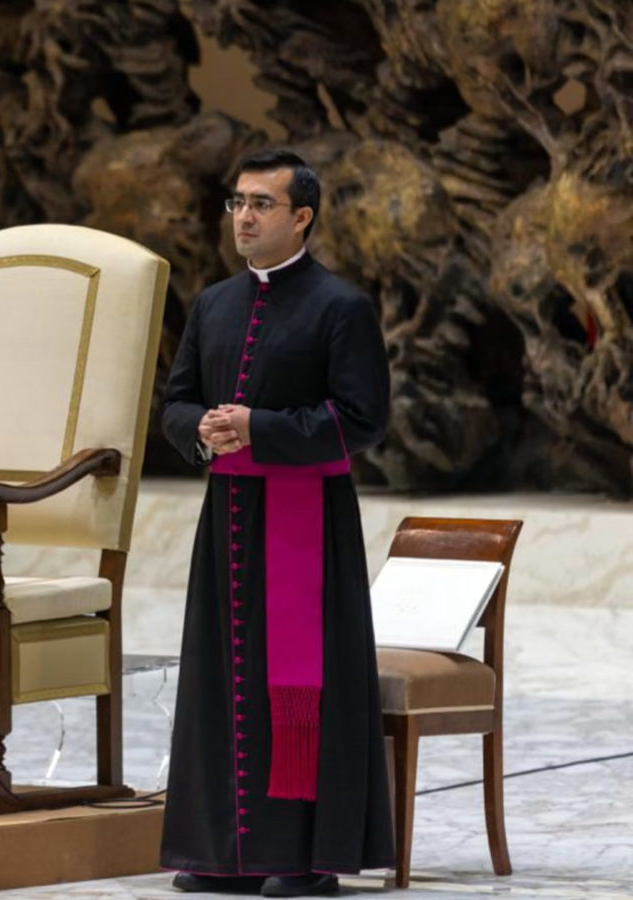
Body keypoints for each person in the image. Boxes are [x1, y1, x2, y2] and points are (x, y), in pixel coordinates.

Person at [158, 149, 396, 896]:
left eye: (262, 204)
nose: (245, 217)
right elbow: (175, 402)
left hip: (306, 526)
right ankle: (226, 855)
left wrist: (259, 427)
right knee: (221, 683)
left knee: (298, 689)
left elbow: (362, 418)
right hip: (226, 519)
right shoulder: (213, 304)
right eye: (237, 203)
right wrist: (203, 430)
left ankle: (302, 856)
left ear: (302, 217)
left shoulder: (340, 306)